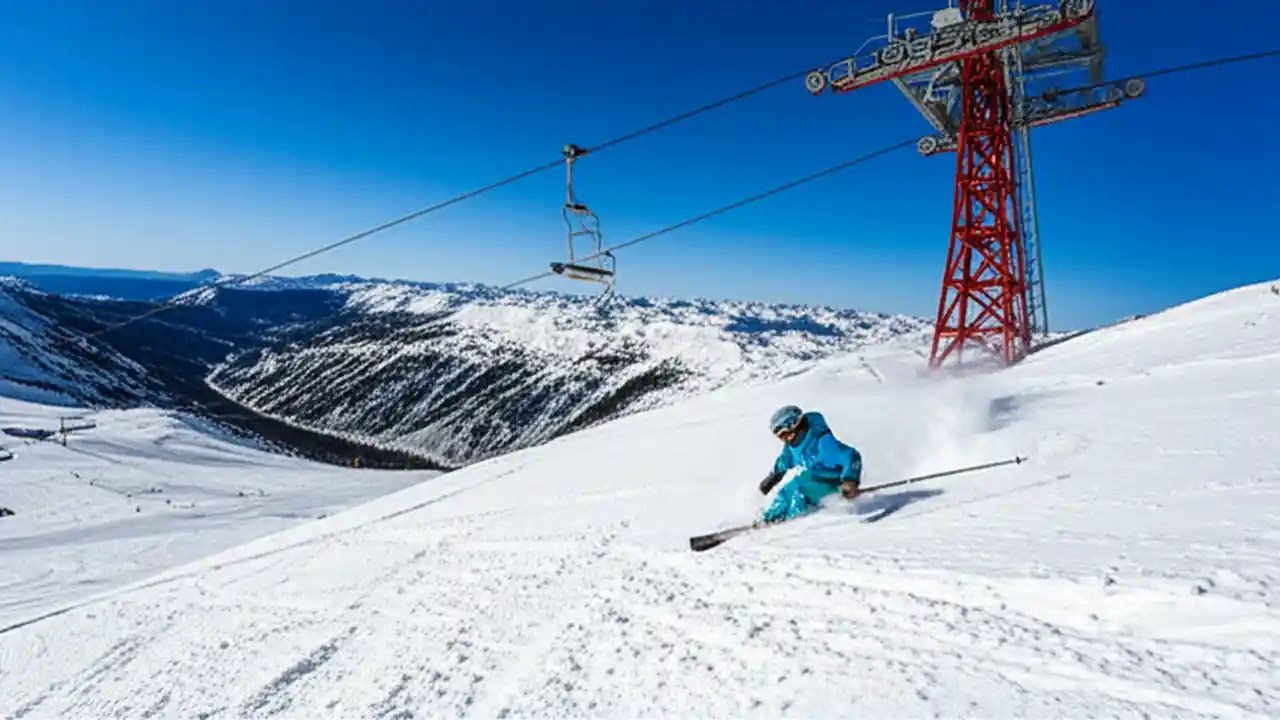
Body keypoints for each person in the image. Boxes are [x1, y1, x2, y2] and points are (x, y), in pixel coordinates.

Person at [758, 405, 862, 524]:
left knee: (799, 491)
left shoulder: (823, 444)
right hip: (814, 476)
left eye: (784, 434)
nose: (784, 439)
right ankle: (768, 518)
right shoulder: (793, 445)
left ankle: (791, 521)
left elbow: (851, 456)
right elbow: (784, 460)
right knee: (787, 490)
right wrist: (773, 477)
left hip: (833, 481)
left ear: (794, 426)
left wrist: (850, 481)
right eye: (780, 436)